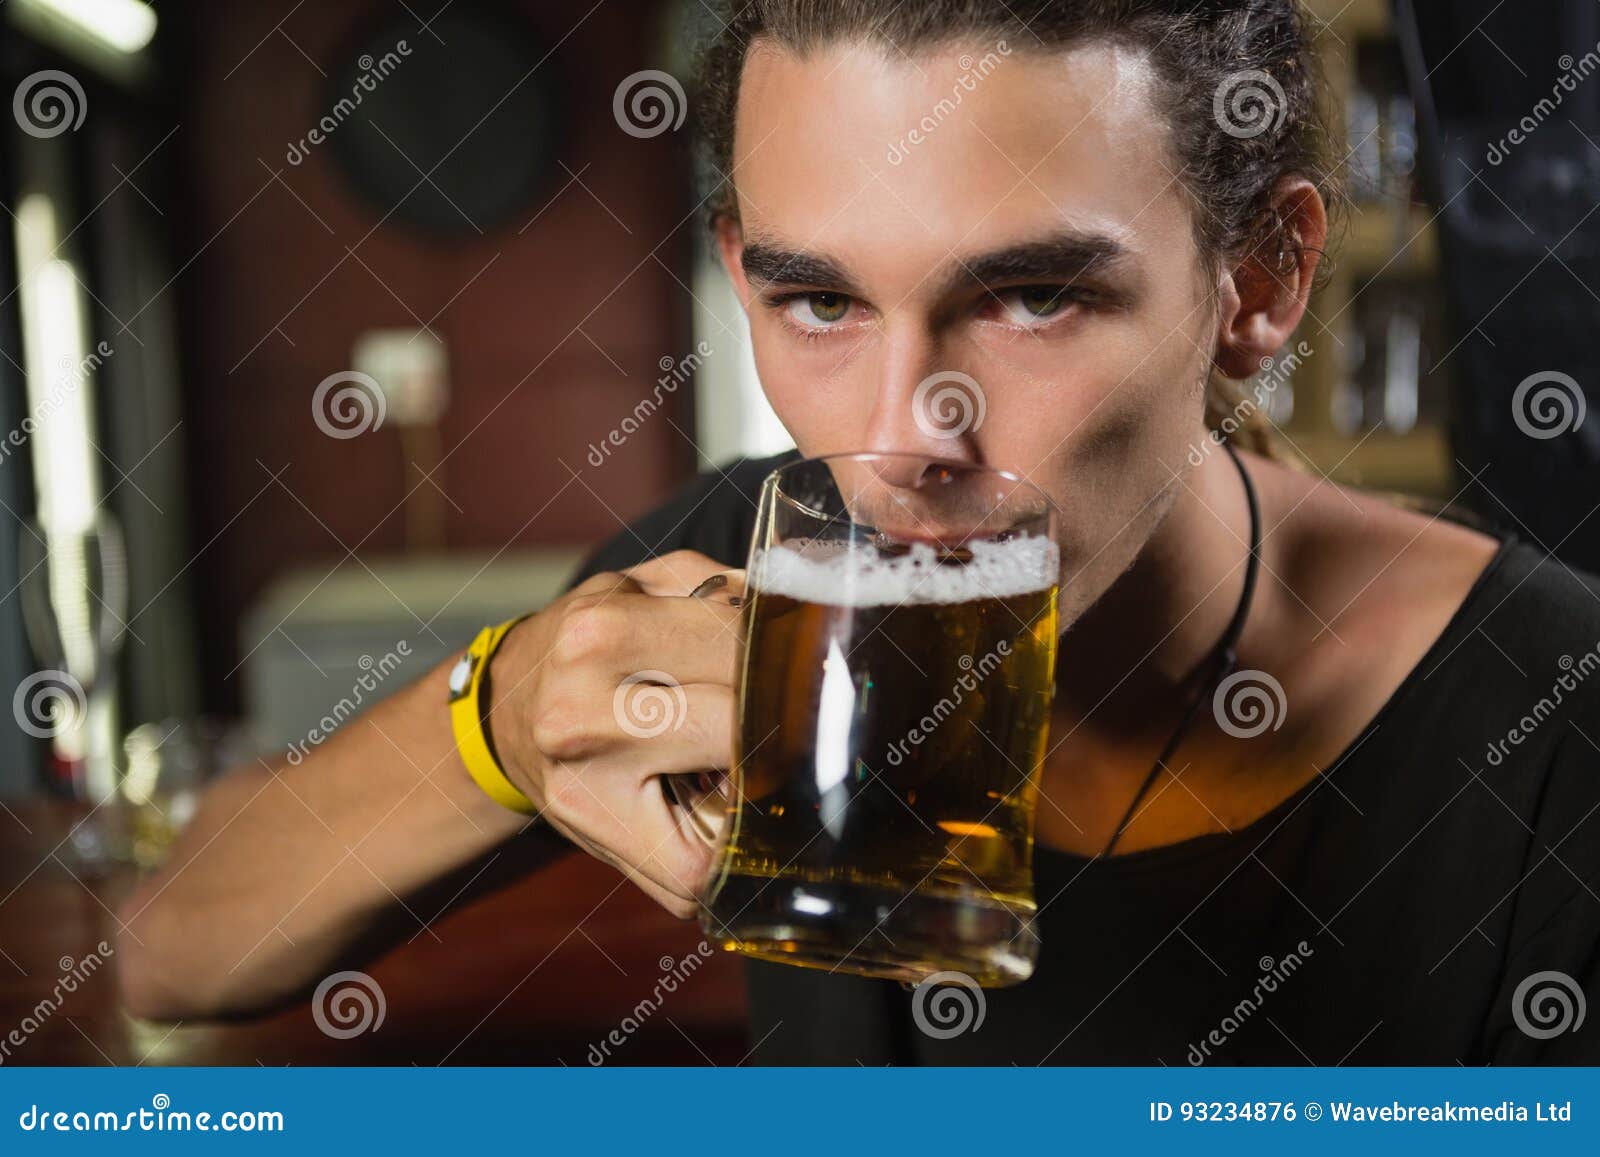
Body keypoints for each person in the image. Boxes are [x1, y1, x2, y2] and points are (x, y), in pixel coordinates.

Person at [118, 0, 1600, 1064]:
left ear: (1262, 281)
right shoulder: (766, 563)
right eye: (820, 302)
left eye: (1033, 297)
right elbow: (176, 948)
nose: (910, 434)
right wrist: (502, 715)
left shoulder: (1552, 721)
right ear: (740, 275)